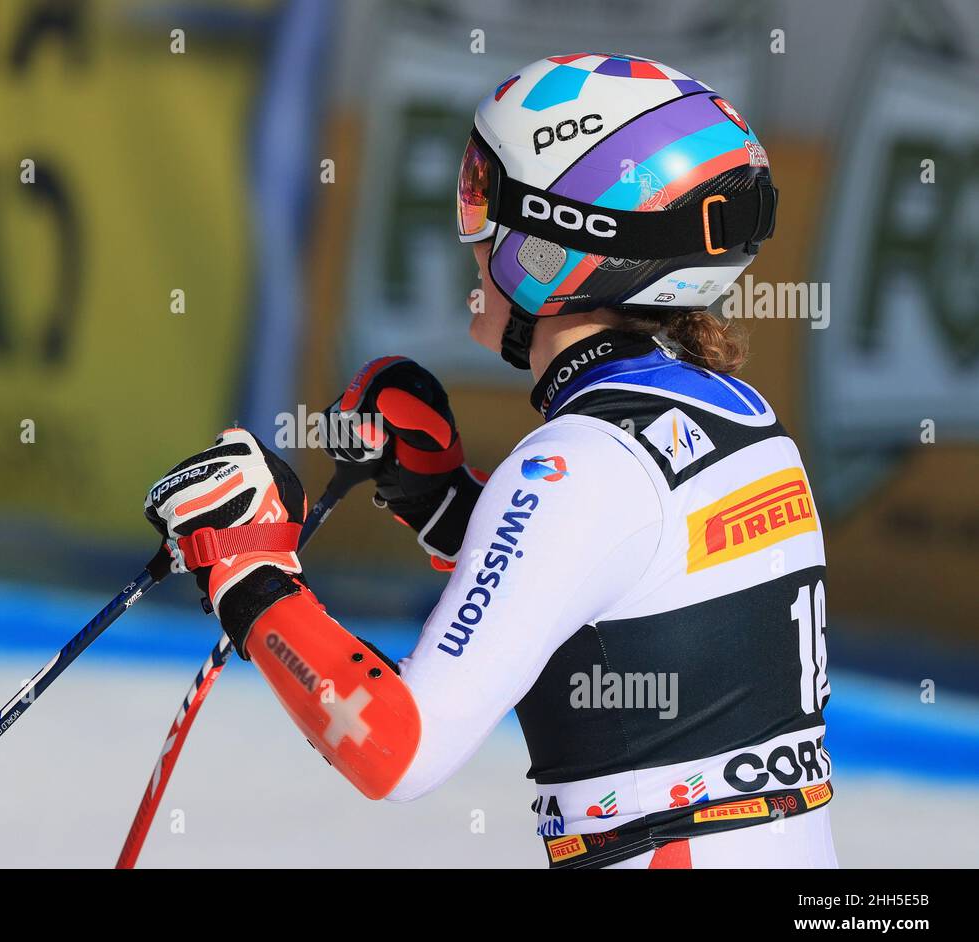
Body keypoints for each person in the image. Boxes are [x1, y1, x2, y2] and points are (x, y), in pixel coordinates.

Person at [143, 54, 835, 868]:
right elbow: (608, 588)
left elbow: (396, 748)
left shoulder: (576, 463)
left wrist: (247, 573)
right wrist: (438, 499)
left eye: (484, 193)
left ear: (564, 237)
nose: (468, 233)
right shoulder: (736, 416)